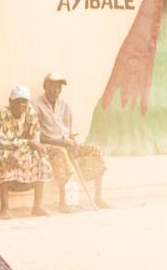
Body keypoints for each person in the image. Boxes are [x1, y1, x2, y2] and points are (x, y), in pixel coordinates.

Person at [33, 72, 110, 211]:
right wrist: (63, 143)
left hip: (67, 145)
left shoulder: (65, 105)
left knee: (94, 151)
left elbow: (71, 132)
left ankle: (98, 198)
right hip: (49, 147)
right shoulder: (36, 105)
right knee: (61, 152)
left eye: (59, 87)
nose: (56, 90)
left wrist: (73, 145)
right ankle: (63, 203)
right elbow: (37, 136)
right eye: (52, 86)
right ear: (45, 87)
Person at [0, 85, 52, 219]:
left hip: (21, 150)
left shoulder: (31, 113)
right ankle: (4, 208)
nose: (21, 105)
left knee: (41, 158)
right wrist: (27, 144)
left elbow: (35, 139)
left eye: (24, 101)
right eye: (17, 101)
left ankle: (38, 206)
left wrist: (21, 149)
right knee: (5, 158)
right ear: (10, 102)